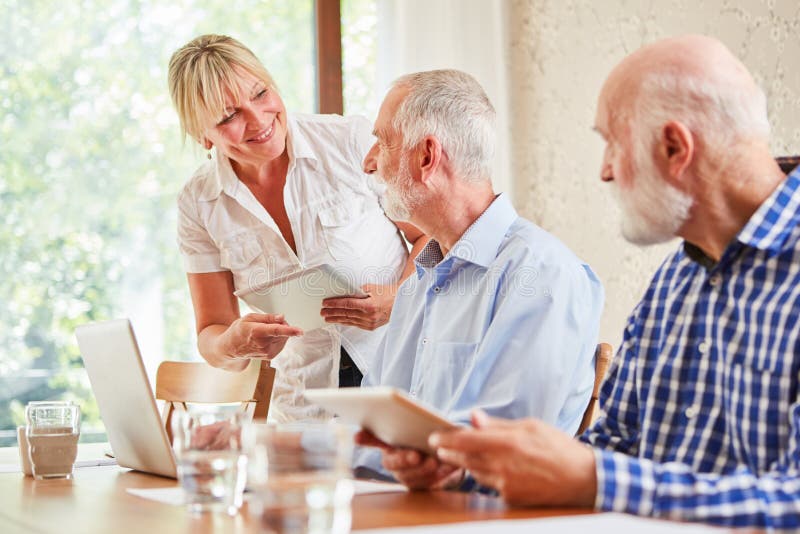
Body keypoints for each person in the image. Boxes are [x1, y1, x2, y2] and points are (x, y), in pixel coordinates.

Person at [416, 36, 800, 529]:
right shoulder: (674, 283)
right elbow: (611, 449)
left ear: (674, 147)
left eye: (611, 143)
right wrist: (463, 470)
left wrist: (594, 479)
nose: (605, 171)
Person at [342, 69, 604, 481]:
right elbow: (368, 433)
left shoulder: (542, 274)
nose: (369, 162)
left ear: (426, 157)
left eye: (383, 141)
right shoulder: (418, 282)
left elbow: (503, 451)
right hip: (398, 508)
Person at [167, 35, 426, 421]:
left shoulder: (348, 142)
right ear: (203, 134)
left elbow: (431, 234)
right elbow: (211, 333)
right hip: (304, 410)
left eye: (260, 93)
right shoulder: (199, 202)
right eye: (229, 116)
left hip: (402, 381)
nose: (259, 120)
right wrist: (235, 343)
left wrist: (398, 300)